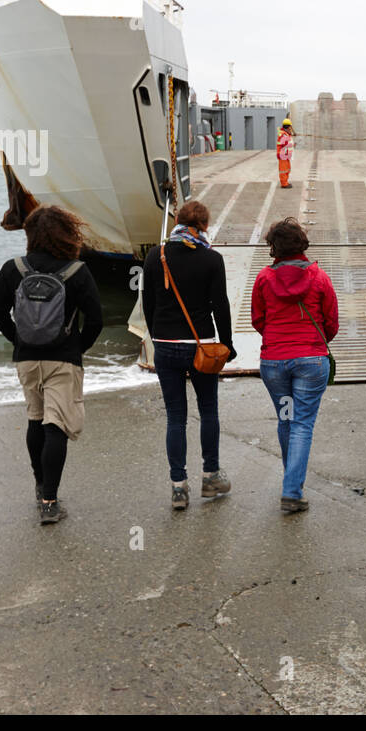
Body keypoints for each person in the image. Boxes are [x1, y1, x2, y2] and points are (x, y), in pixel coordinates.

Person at [0, 205, 104, 524]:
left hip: (26, 359)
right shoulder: (77, 271)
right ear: (66, 232)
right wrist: (76, 348)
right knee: (57, 426)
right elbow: (96, 320)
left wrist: (20, 341)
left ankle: (40, 485)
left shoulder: (12, 269)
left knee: (35, 418)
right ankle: (49, 501)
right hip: (63, 359)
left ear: (30, 235)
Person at [142, 200, 234, 511]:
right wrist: (228, 343)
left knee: (176, 417)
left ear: (178, 222)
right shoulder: (211, 259)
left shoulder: (158, 255)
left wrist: (157, 334)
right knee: (208, 411)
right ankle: (210, 477)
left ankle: (178, 487)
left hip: (165, 343)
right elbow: (220, 305)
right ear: (205, 226)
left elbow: (148, 302)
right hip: (202, 346)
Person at [252, 217, 339, 513]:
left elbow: (257, 319)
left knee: (287, 419)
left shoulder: (264, 278)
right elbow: (332, 323)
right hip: (311, 362)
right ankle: (291, 489)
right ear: (301, 243)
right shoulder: (319, 278)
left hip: (275, 363)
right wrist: (312, 342)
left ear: (273, 247)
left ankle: (293, 483)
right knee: (302, 424)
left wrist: (278, 341)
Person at [276, 118, 295, 189]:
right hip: (282, 155)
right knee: (283, 170)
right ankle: (284, 184)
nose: (291, 128)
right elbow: (285, 144)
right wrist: (292, 144)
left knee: (287, 169)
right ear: (288, 126)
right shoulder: (283, 134)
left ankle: (285, 182)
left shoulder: (285, 133)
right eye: (290, 127)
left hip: (286, 155)